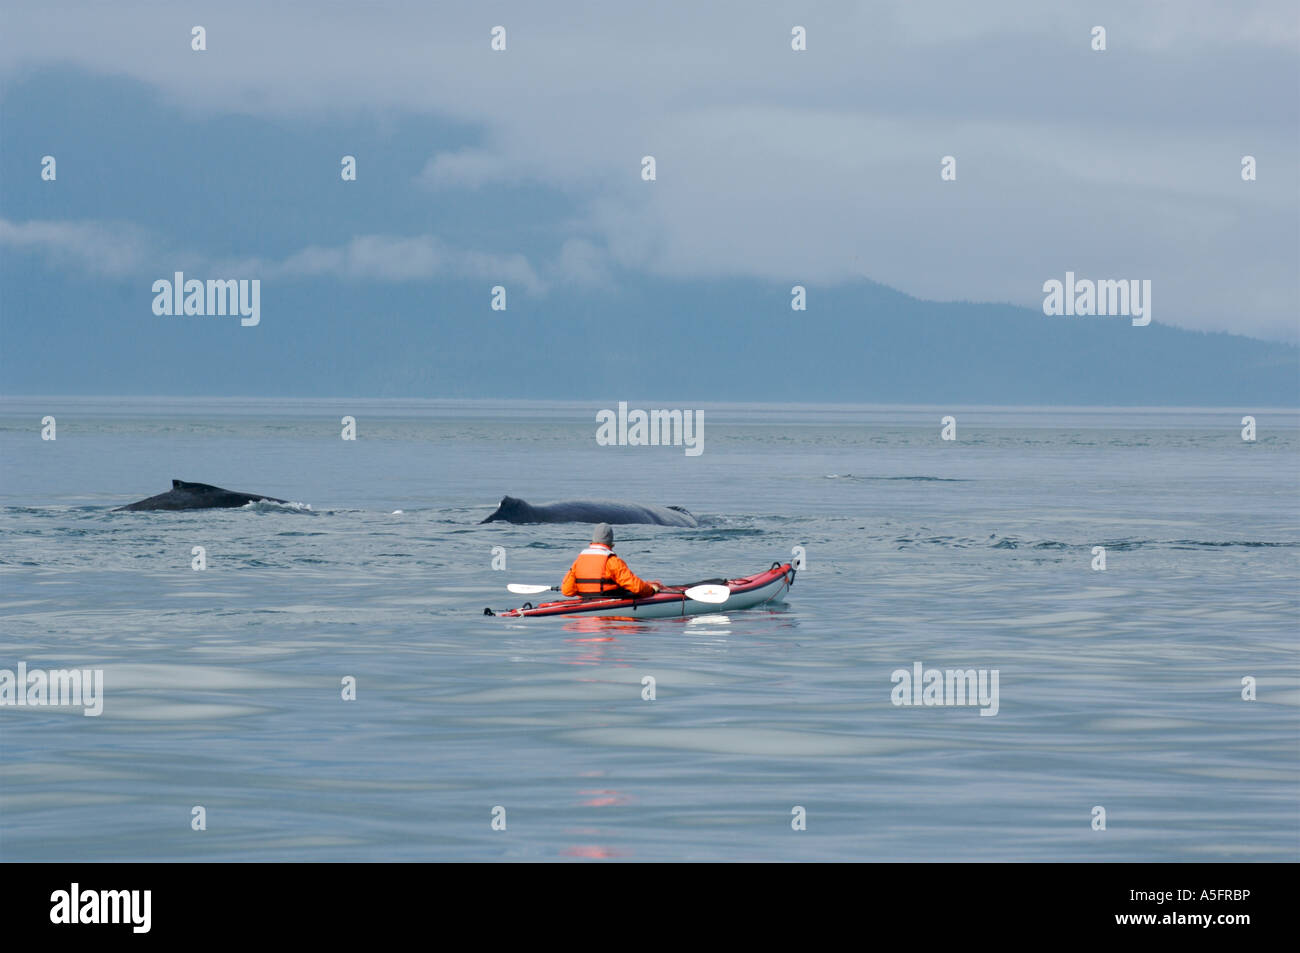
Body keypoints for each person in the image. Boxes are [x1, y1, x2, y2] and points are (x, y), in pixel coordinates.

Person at [561, 523, 663, 599]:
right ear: (611, 544)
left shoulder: (578, 561)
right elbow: (636, 587)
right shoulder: (612, 561)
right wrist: (651, 590)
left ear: (592, 542)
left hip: (584, 608)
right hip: (609, 606)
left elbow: (567, 591)